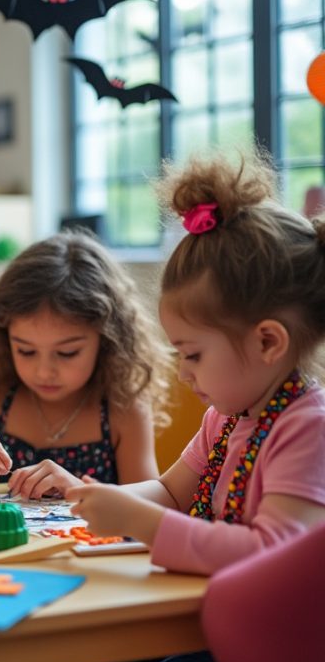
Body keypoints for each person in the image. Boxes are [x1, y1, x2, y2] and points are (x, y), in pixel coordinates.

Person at [68, 150, 325, 575]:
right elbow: (170, 493)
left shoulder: (308, 429)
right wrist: (91, 497)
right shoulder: (226, 418)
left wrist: (136, 520)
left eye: (193, 354)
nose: (184, 372)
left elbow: (271, 555)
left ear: (267, 342)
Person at [0, 231, 170, 498]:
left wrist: (80, 491)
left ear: (106, 341)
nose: (44, 371)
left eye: (67, 352)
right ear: (4, 337)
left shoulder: (124, 406)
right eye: (25, 350)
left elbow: (151, 508)